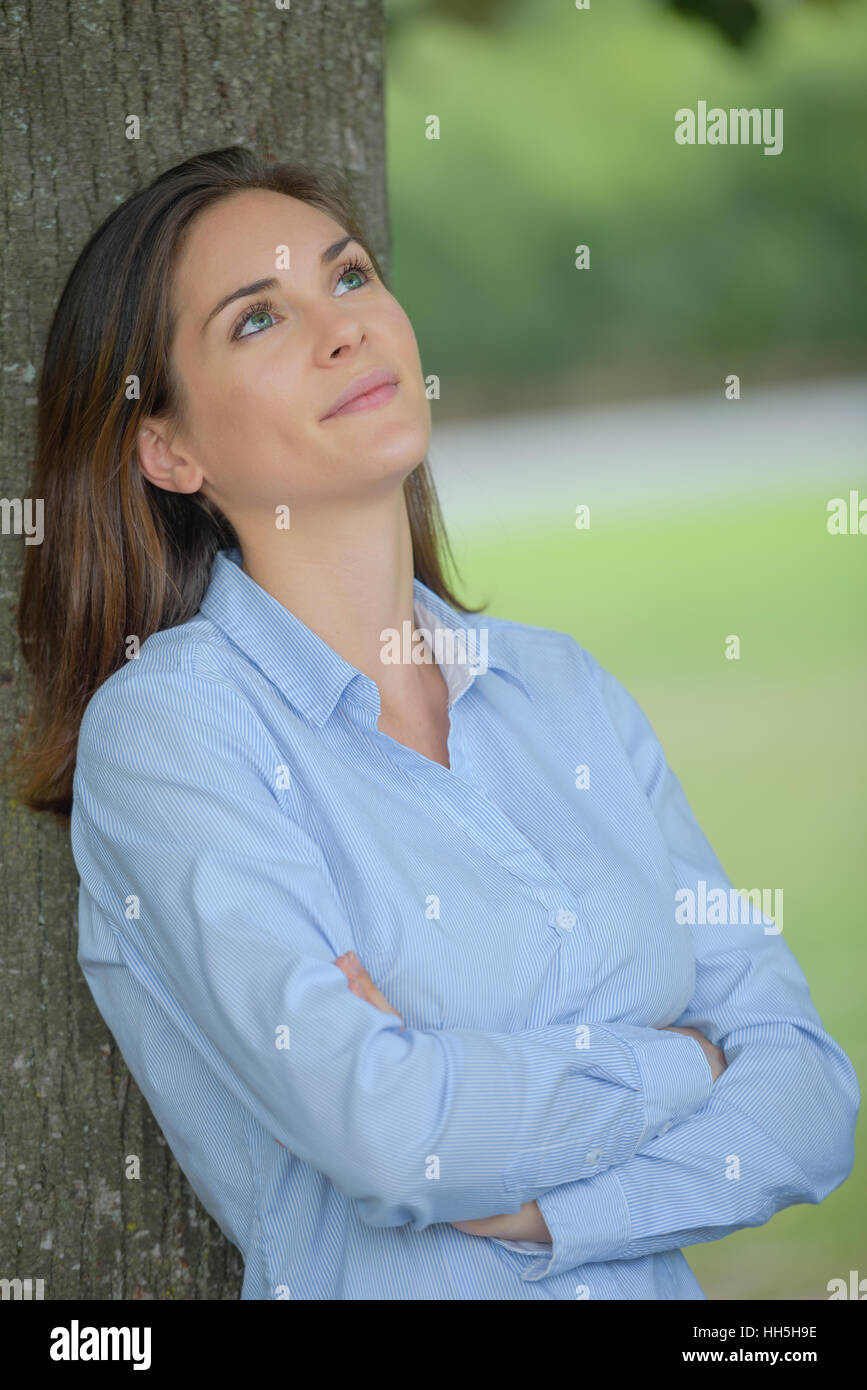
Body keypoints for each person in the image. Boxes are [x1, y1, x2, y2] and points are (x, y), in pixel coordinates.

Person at [11, 146, 858, 1300]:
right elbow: (384, 1131)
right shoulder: (169, 735)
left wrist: (541, 1207)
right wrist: (692, 1062)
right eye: (257, 320)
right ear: (170, 448)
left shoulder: (563, 691)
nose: (342, 328)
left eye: (348, 276)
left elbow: (810, 1095)